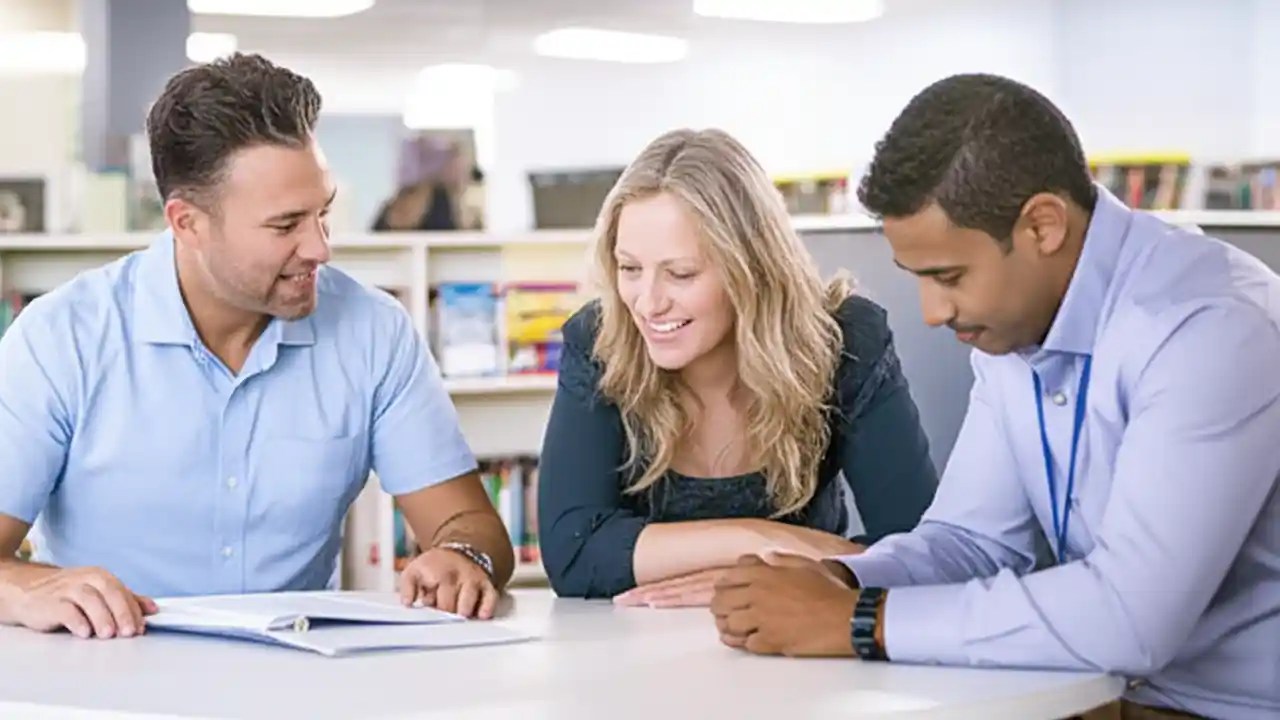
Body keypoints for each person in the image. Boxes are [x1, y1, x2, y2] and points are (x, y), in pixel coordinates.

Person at [709, 73, 1280, 720]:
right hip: (1099, 692)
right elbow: (972, 544)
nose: (930, 311)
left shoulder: (1209, 326)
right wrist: (837, 581)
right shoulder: (1013, 328)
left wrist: (858, 620)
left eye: (947, 277)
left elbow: (1132, 615)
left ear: (1043, 226)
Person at [0, 53, 514, 640]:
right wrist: (25, 586)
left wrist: (463, 559)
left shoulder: (375, 330)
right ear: (187, 222)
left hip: (299, 681)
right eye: (286, 224)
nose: (320, 247)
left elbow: (469, 523)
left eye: (323, 213)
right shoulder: (60, 338)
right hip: (109, 672)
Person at [538, 128, 939, 604]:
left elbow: (920, 552)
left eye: (681, 273)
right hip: (635, 651)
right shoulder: (601, 340)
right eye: (629, 269)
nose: (647, 303)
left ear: (751, 268)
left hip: (800, 650)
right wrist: (761, 545)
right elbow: (573, 553)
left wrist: (754, 574)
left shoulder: (846, 341)